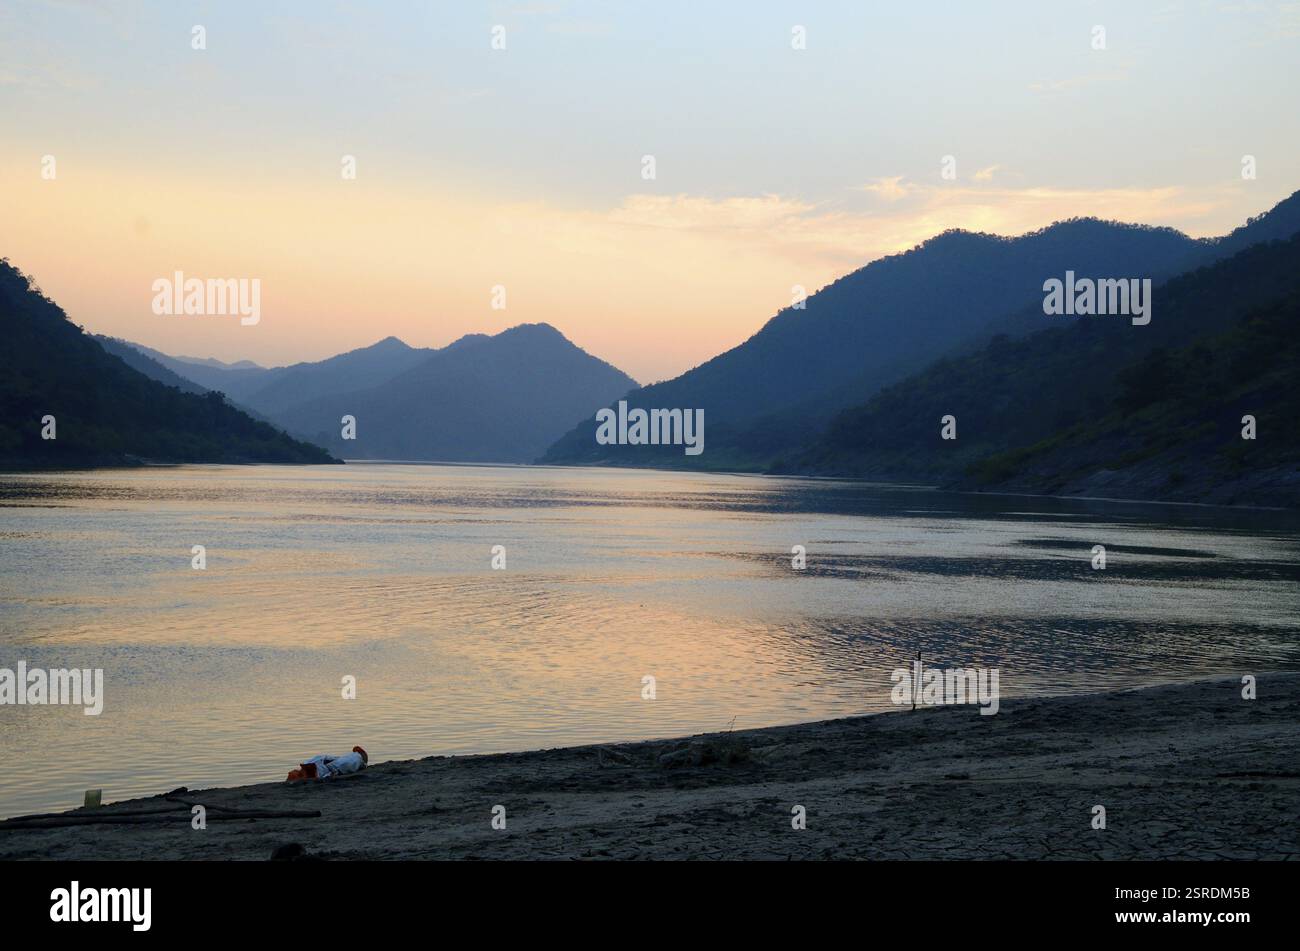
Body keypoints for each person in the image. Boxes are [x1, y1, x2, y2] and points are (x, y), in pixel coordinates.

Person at [286, 746, 368, 781]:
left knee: (346, 761)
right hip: (330, 766)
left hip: (325, 763)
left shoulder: (307, 765)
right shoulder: (312, 772)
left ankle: (360, 756)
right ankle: (360, 756)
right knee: (349, 762)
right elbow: (328, 775)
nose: (293, 770)